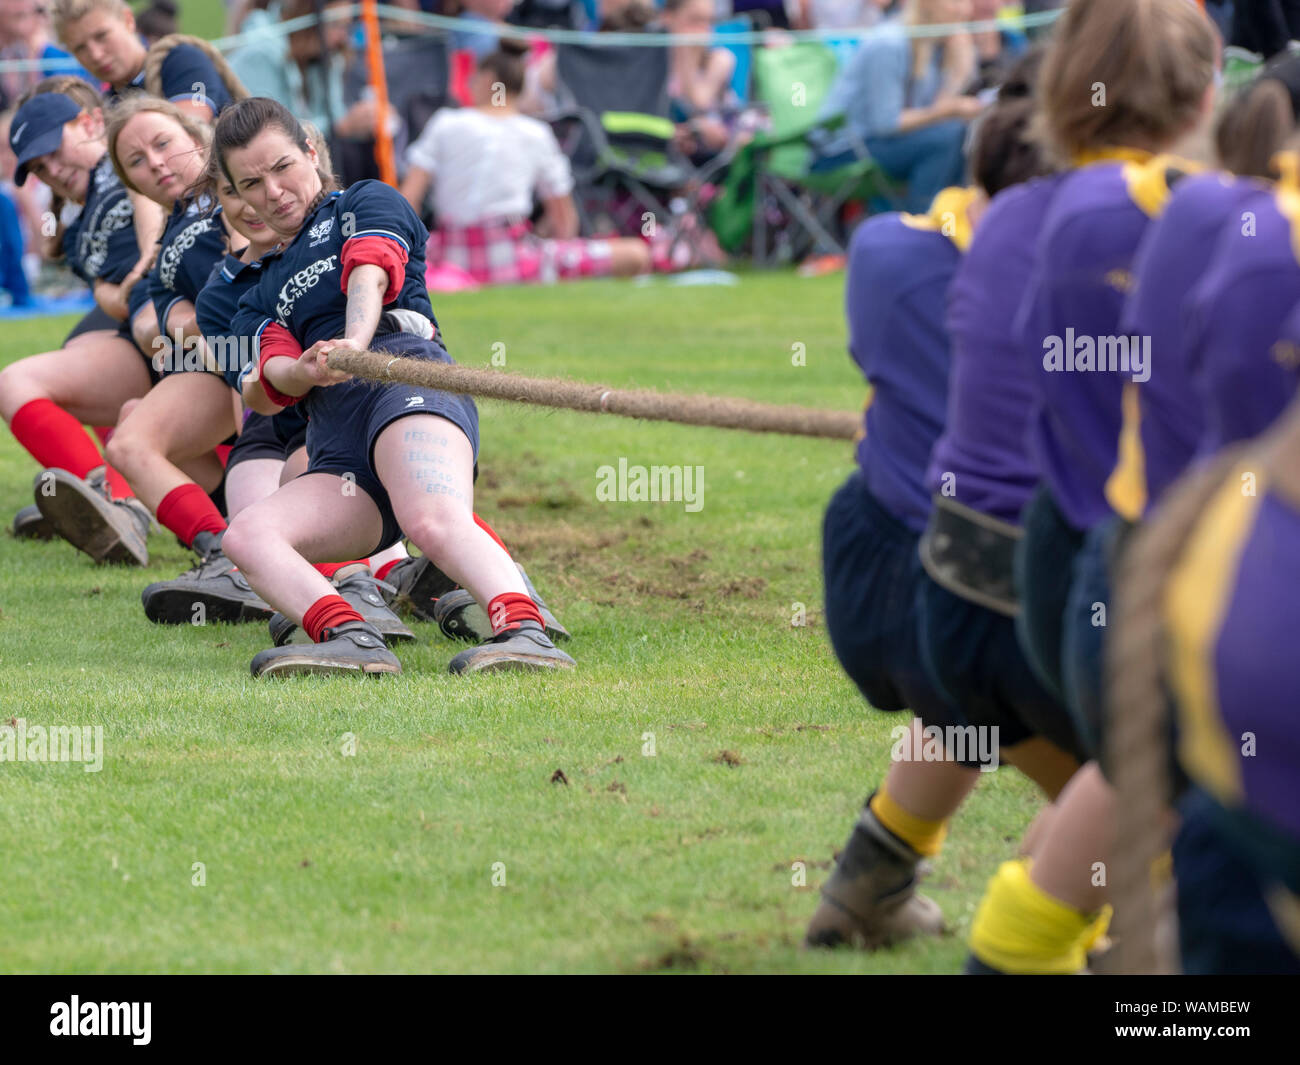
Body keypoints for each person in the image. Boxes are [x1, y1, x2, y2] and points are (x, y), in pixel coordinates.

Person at [963, 0, 1218, 976]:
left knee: (1129, 787)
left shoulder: (1053, 205)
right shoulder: (1174, 206)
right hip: (1147, 564)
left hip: (1067, 553)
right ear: (1202, 93)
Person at [803, 78, 1072, 949]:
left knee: (965, 708)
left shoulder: (883, 248)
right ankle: (1049, 936)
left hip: (870, 572)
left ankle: (870, 883)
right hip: (983, 583)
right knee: (1134, 793)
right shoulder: (1080, 282)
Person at [213, 96, 574, 677]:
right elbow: (262, 383)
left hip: (404, 380)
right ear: (234, 196)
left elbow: (370, 271)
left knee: (432, 520)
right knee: (248, 535)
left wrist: (355, 343)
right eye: (251, 183)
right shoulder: (254, 292)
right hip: (334, 436)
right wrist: (302, 372)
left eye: (282, 167)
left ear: (310, 152)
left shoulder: (363, 202)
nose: (273, 191)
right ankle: (353, 640)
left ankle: (526, 631)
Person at [0, 86, 158, 563]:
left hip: (187, 330)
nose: (52, 170)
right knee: (19, 381)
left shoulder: (129, 158)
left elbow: (157, 198)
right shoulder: (76, 215)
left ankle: (124, 499)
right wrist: (113, 293)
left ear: (90, 123)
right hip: (146, 339)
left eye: (53, 152)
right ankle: (114, 503)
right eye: (40, 168)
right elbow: (102, 294)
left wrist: (143, 266)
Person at [400, 42, 652, 285]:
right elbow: (564, 220)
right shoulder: (536, 132)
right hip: (513, 259)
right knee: (635, 253)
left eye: (473, 78)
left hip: (449, 258)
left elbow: (408, 200)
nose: (468, 85)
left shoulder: (445, 123)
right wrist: (554, 253)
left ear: (488, 80)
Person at [813, 0, 985, 214]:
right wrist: (949, 110)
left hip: (881, 143)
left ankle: (949, 227)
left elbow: (936, 112)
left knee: (961, 134)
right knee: (947, 138)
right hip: (840, 152)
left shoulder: (937, 46)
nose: (965, 10)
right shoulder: (888, 43)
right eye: (956, 1)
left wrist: (958, 76)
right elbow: (887, 123)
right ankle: (922, 227)